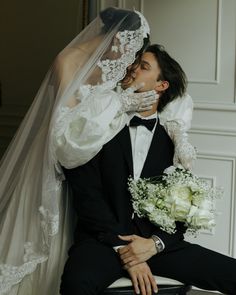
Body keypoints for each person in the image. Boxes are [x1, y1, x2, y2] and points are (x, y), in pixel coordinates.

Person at [0, 7, 157, 295]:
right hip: (58, 164)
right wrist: (118, 105)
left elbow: (98, 116)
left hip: (87, 165)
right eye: (128, 50)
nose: (126, 61)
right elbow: (64, 125)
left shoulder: (106, 65)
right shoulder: (67, 60)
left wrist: (123, 105)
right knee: (49, 240)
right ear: (118, 39)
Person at [60, 45, 236, 295]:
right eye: (134, 63)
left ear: (161, 85)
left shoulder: (174, 141)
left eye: (143, 66)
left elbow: (184, 210)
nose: (132, 68)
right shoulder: (97, 126)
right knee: (77, 283)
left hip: (155, 245)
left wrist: (155, 244)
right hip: (103, 242)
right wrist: (126, 252)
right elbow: (87, 196)